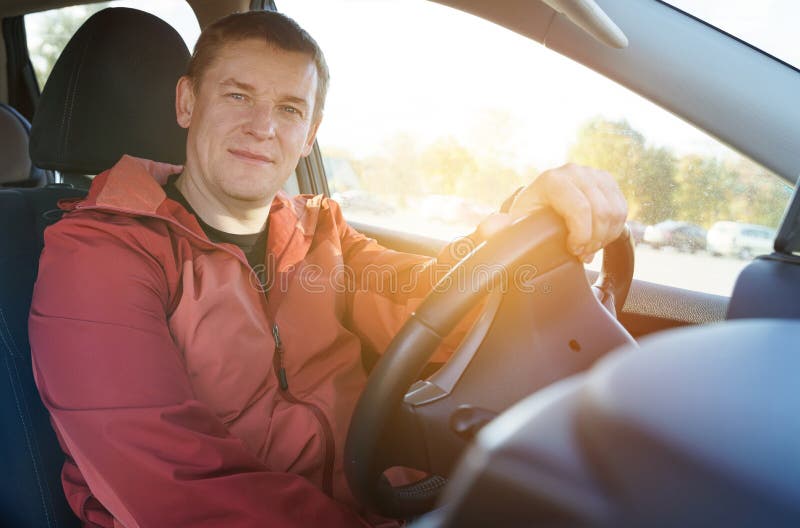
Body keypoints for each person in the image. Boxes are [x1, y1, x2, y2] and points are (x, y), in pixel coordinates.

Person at [29, 10, 627, 528]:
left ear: (310, 133)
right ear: (188, 102)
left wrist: (512, 223)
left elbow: (425, 295)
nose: (262, 127)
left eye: (289, 109)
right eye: (238, 95)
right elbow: (167, 482)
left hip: (382, 501)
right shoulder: (101, 250)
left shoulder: (321, 232)